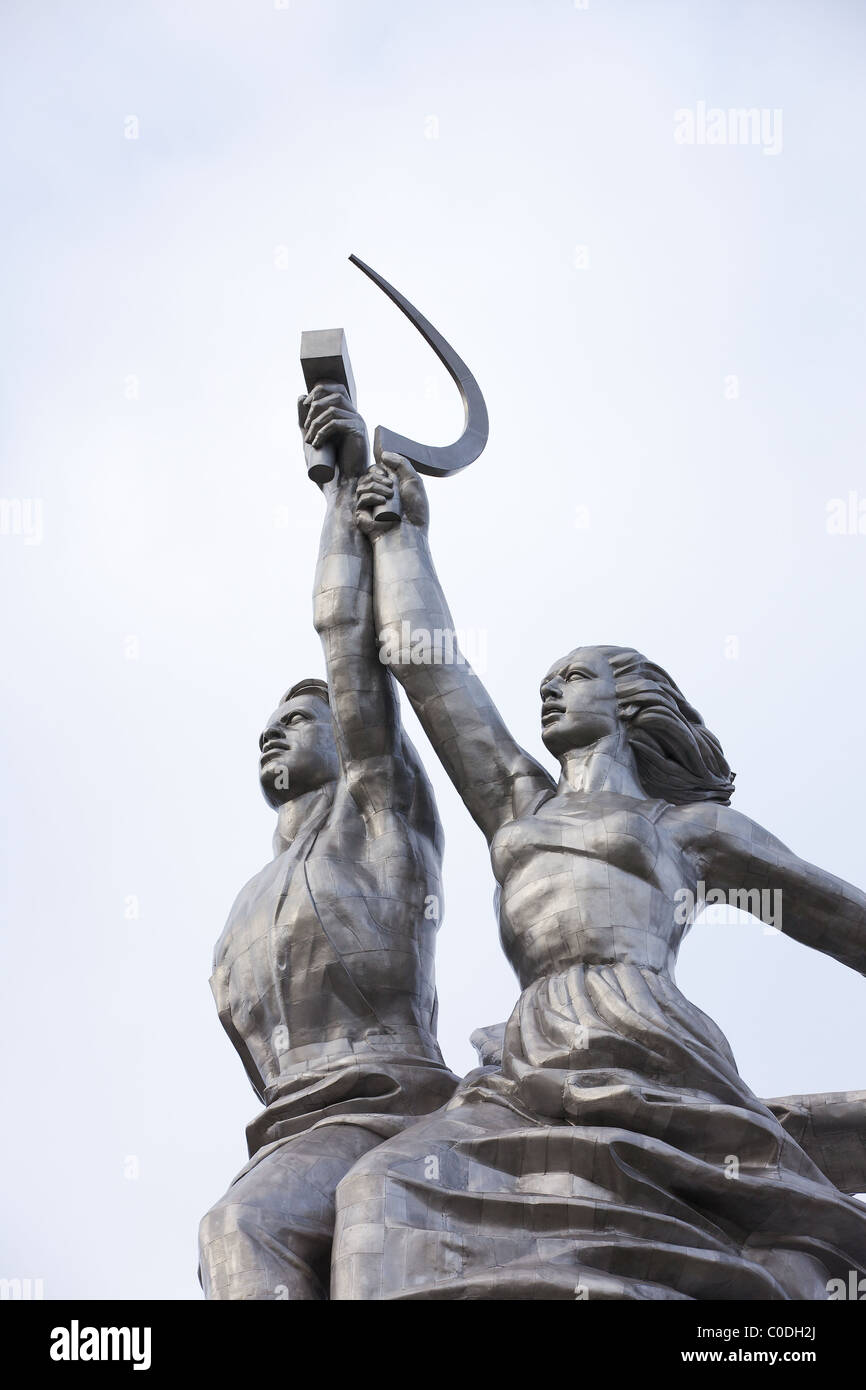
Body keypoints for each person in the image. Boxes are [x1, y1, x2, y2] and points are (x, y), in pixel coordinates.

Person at [330, 454, 866, 1301]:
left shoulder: (688, 829)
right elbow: (427, 666)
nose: (551, 691)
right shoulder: (518, 805)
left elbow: (844, 918)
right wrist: (401, 532)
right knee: (376, 1193)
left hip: (641, 1030)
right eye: (545, 682)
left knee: (681, 1218)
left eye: (574, 678)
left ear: (628, 700)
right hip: (527, 1050)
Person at [198, 397, 458, 1300]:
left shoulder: (383, 815)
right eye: (266, 725)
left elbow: (346, 642)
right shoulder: (239, 919)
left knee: (242, 1228)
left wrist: (340, 488)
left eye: (298, 718)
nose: (272, 735)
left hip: (392, 1105)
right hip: (290, 1134)